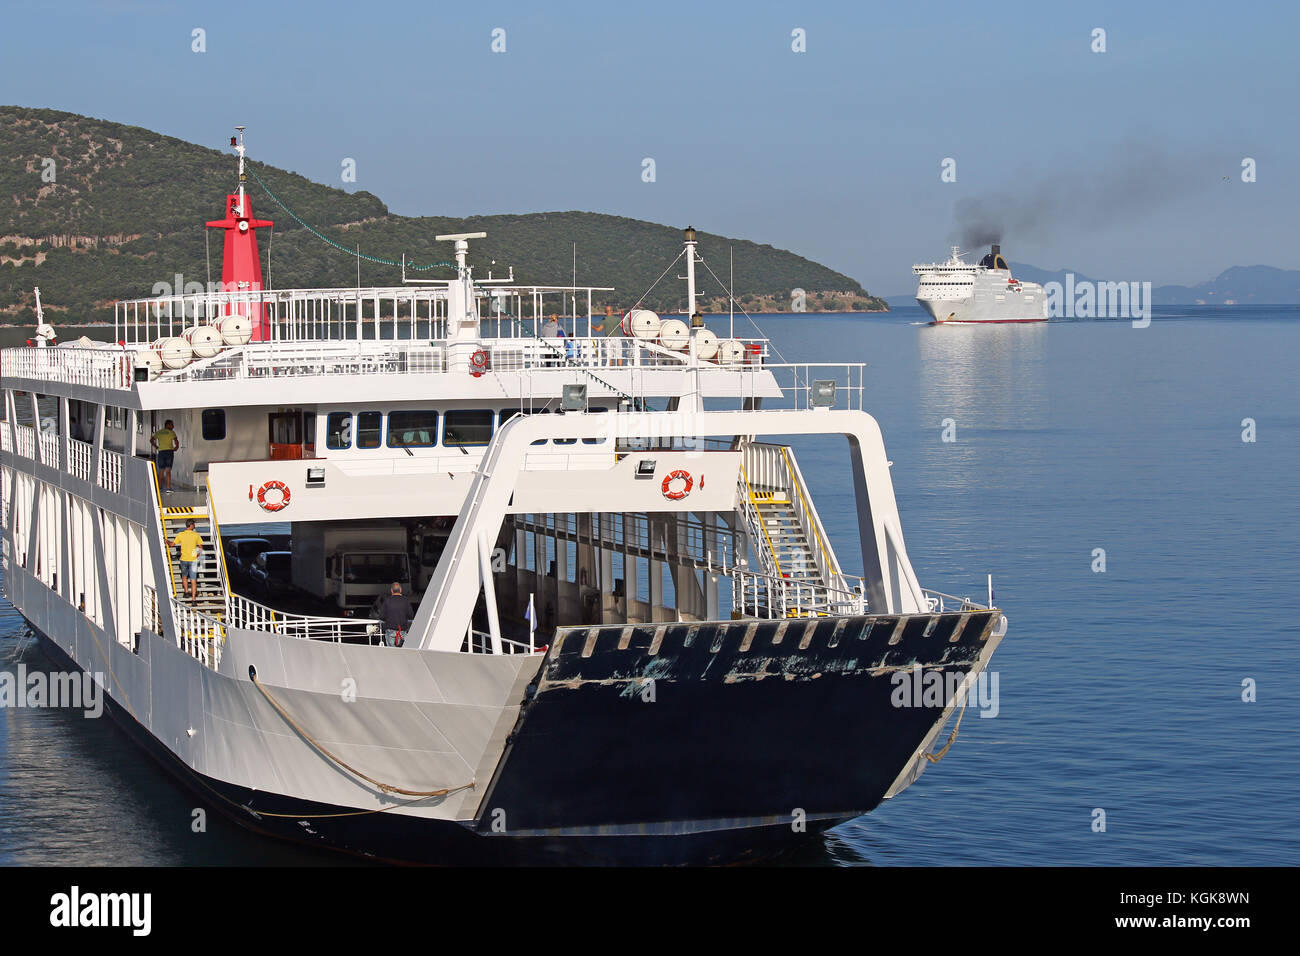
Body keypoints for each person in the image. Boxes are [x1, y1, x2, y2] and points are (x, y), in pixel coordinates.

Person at [374, 582, 414, 647]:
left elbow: (381, 616)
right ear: (400, 590)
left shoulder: (387, 601)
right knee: (403, 651)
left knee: (392, 651)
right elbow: (411, 615)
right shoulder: (405, 601)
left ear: (391, 591)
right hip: (402, 631)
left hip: (390, 631)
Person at [173, 518, 204, 601]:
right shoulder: (196, 535)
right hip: (193, 559)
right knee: (193, 580)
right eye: (194, 524)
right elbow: (201, 547)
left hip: (184, 559)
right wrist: (198, 554)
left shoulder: (181, 534)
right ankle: (193, 599)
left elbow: (172, 544)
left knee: (184, 576)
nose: (194, 526)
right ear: (191, 525)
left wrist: (167, 542)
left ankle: (186, 592)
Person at [151, 419, 180, 494]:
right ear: (167, 425)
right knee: (168, 471)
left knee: (161, 471)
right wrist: (176, 447)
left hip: (161, 452)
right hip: (169, 452)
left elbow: (151, 440)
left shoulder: (159, 432)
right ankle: (168, 487)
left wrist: (156, 446)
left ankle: (159, 487)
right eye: (171, 424)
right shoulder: (171, 432)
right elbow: (176, 441)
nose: (173, 426)